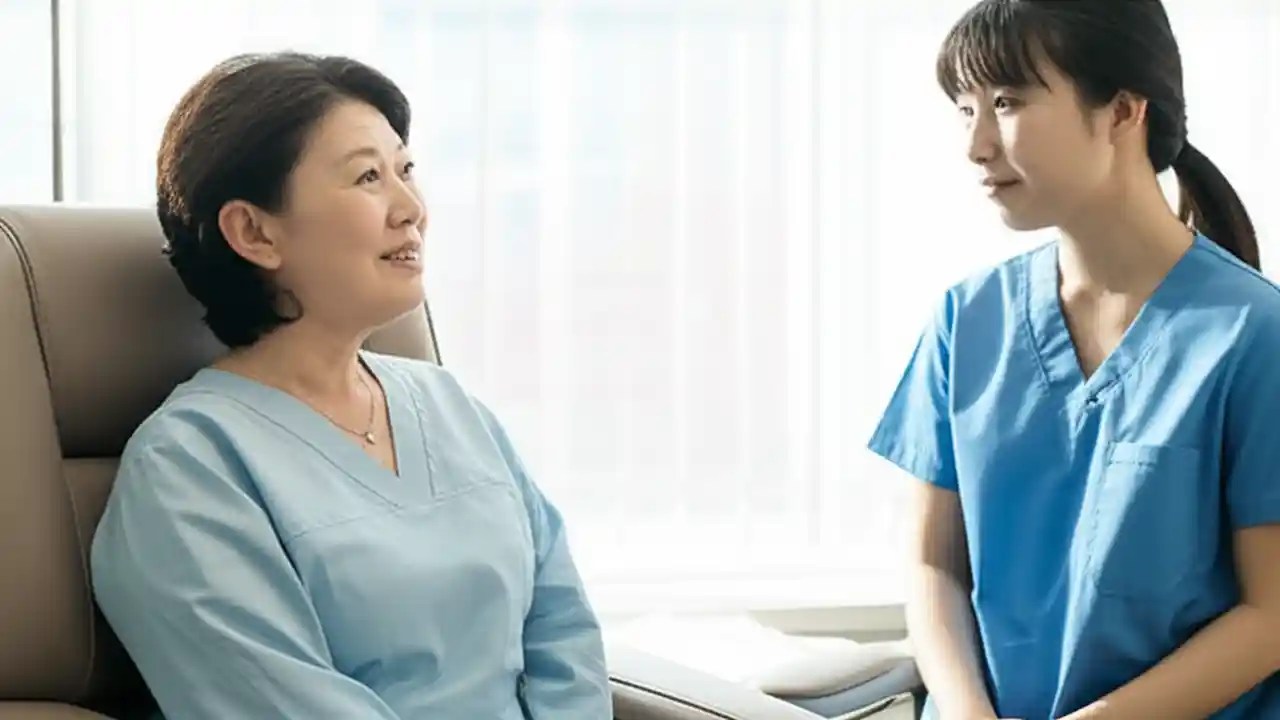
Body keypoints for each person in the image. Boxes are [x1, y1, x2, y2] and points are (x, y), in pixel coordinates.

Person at [90, 52, 611, 720]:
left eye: (407, 169)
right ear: (254, 231)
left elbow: (563, 630)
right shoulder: (188, 467)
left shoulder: (451, 407)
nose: (411, 209)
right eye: (368, 176)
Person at [868, 2, 1280, 718]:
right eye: (965, 109)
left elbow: (1271, 615)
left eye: (1006, 102)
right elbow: (935, 566)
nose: (977, 144)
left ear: (1122, 111)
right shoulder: (967, 322)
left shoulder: (1253, 337)